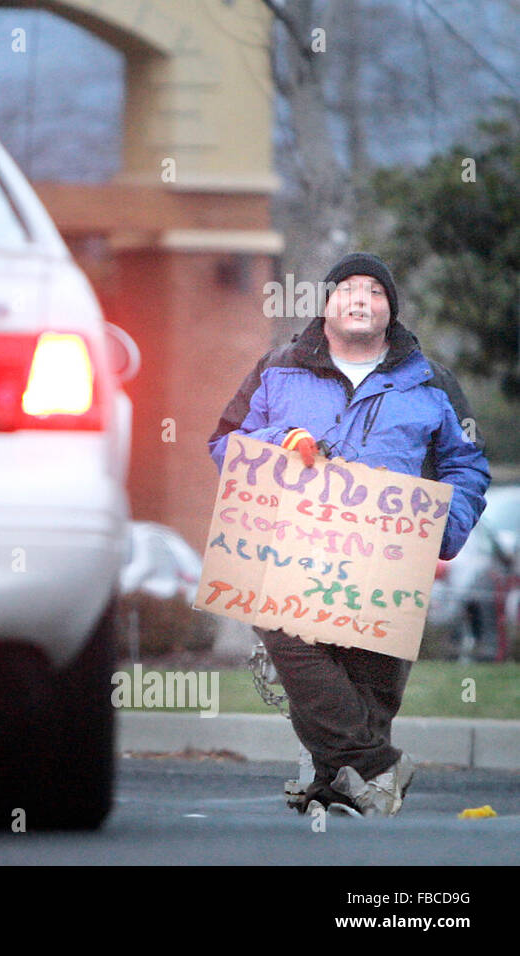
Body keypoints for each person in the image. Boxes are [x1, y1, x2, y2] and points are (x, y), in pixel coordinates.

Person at [207, 252, 491, 817]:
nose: (360, 298)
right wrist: (282, 438)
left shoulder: (432, 381)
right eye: (347, 289)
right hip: (292, 549)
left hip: (390, 556)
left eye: (374, 291)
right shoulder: (277, 368)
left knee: (370, 687)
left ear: (391, 310)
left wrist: (442, 527)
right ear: (326, 304)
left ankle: (343, 786)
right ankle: (377, 768)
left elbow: (468, 466)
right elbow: (224, 444)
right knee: (289, 638)